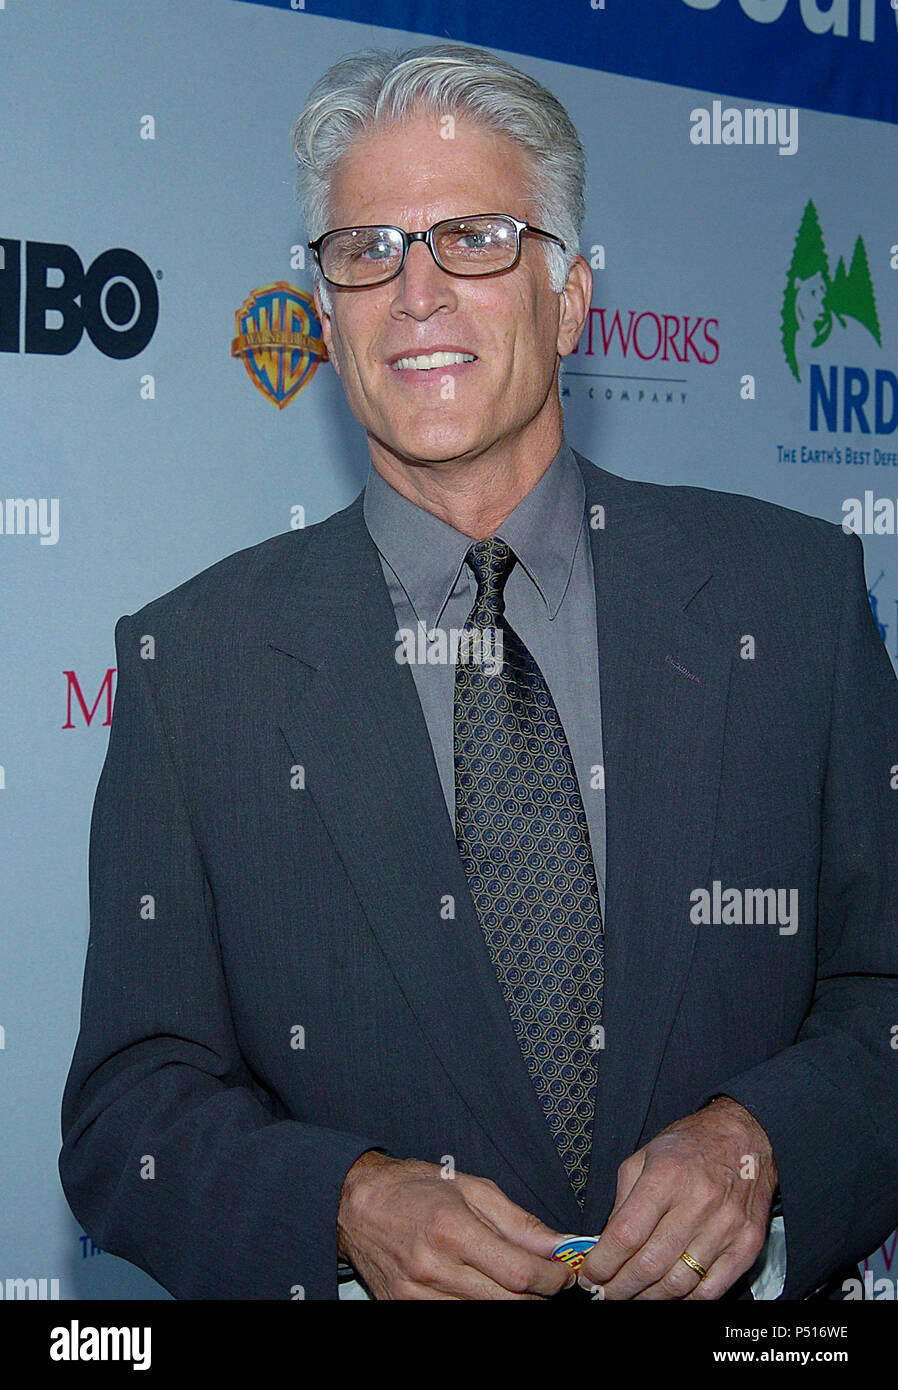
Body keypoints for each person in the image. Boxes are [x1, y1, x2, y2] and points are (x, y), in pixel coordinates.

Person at [59, 42, 898, 1301]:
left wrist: (762, 1141)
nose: (416, 293)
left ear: (569, 299)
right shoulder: (194, 669)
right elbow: (130, 1112)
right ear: (327, 308)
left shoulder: (794, 601)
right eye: (367, 251)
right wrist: (342, 1204)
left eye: (473, 238)